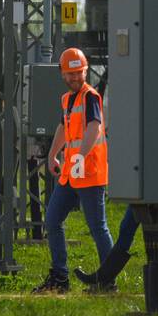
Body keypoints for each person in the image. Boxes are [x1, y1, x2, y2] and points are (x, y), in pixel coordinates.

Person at [33, 47, 114, 293]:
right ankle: (60, 278)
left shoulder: (91, 97)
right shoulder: (67, 99)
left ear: (86, 71)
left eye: (79, 73)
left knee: (98, 227)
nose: (75, 78)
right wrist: (53, 154)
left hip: (89, 173)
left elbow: (94, 128)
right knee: (53, 220)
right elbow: (63, 127)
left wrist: (80, 156)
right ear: (62, 74)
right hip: (71, 173)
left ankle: (108, 281)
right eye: (70, 74)